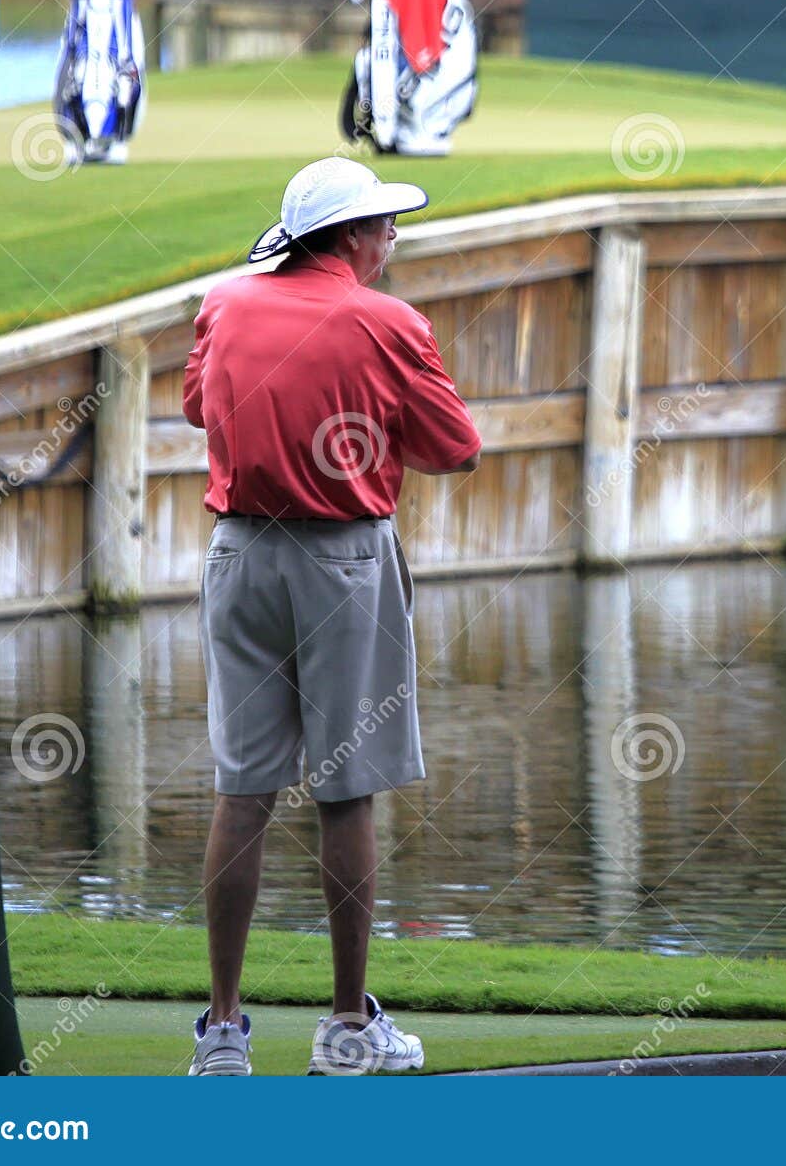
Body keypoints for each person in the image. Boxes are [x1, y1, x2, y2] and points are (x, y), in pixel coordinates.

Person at [182, 157, 483, 1077]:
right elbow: (457, 449)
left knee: (244, 789)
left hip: (238, 554)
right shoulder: (391, 322)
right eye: (385, 227)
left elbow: (200, 405)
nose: (392, 240)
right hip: (344, 558)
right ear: (350, 236)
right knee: (347, 788)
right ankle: (349, 1026)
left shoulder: (225, 302)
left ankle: (224, 1032)